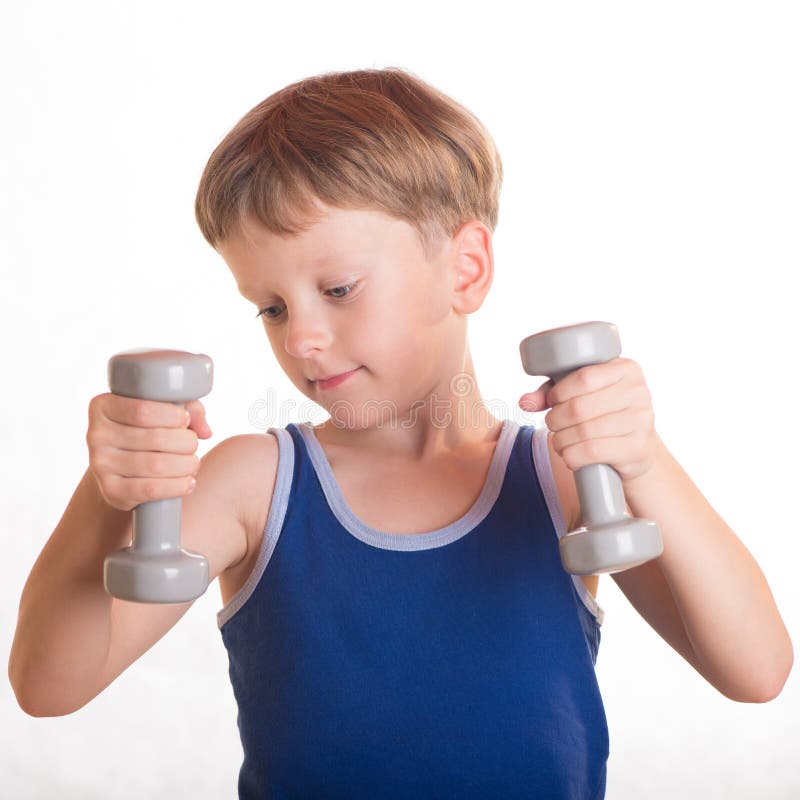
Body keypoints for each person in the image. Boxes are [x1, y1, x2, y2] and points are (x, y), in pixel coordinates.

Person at [9, 66, 793, 799]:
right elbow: (48, 687)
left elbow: (757, 671)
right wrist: (113, 489)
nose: (302, 338)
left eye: (338, 288)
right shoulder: (252, 484)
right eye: (272, 307)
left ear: (466, 269)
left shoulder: (562, 479)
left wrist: (643, 459)